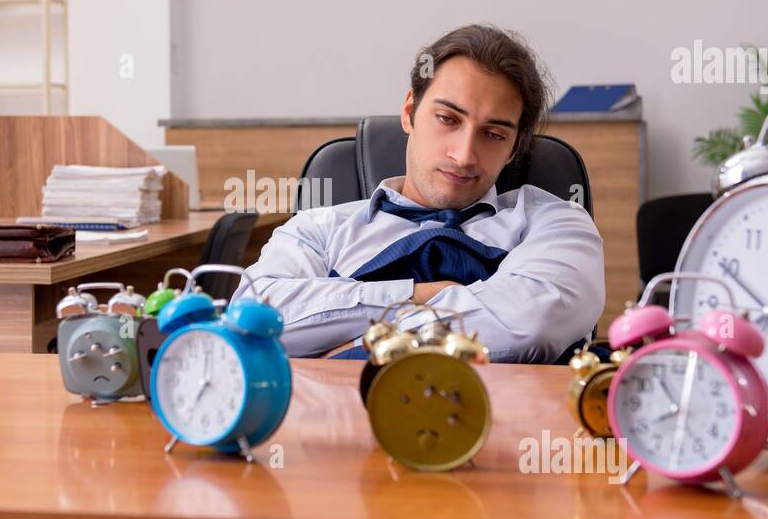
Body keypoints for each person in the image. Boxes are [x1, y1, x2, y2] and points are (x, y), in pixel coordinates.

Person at [242, 23, 605, 361]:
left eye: (493, 135)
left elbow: (530, 325)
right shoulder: (318, 229)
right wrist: (417, 295)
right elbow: (252, 319)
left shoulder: (557, 221)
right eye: (448, 119)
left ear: (513, 148)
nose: (463, 156)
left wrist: (349, 347)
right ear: (409, 111)